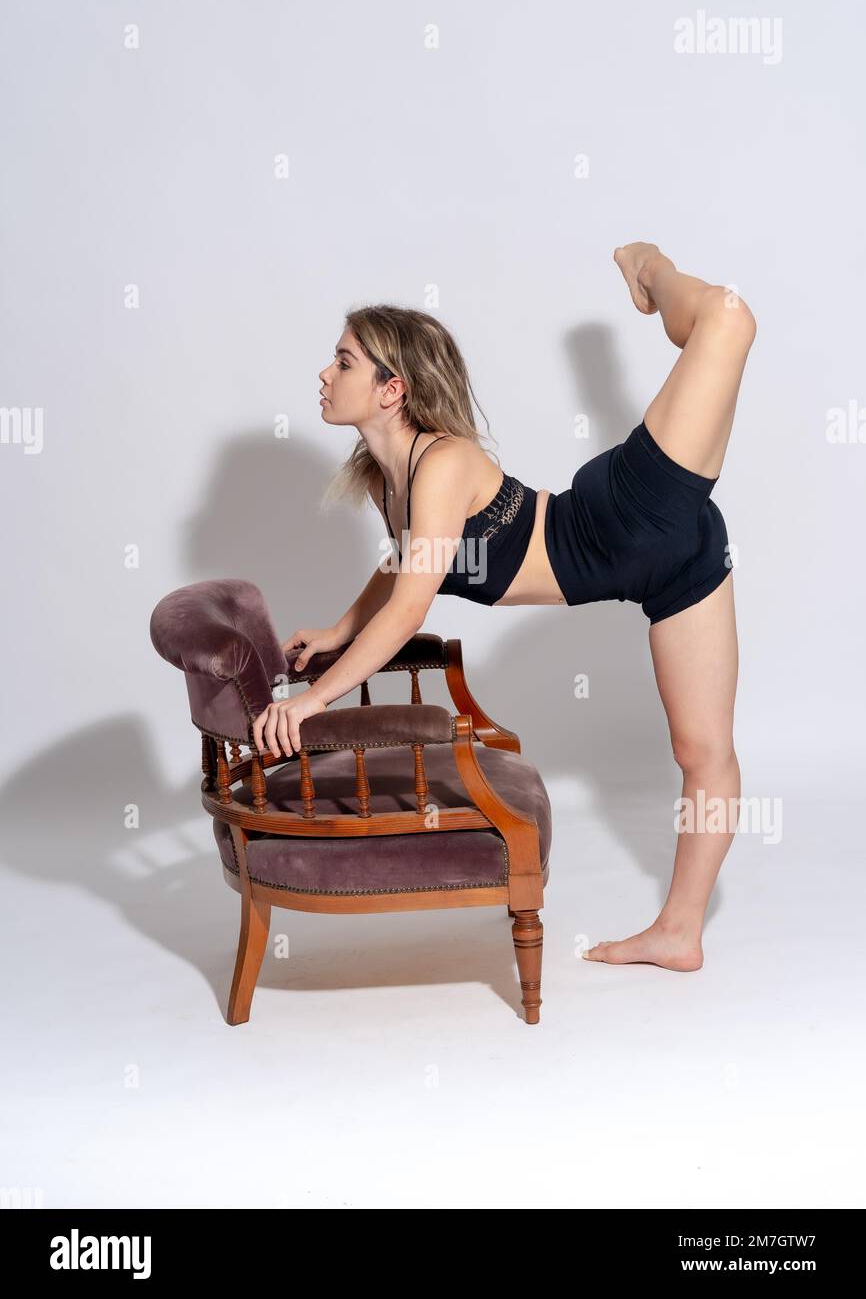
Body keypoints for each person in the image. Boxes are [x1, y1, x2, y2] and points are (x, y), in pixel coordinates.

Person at [252, 242, 757, 971]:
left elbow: (409, 611)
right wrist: (338, 628)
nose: (325, 375)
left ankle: (650, 273)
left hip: (636, 512)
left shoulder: (444, 463)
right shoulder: (385, 478)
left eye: (344, 361)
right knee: (700, 753)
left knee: (729, 317)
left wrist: (314, 704)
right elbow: (401, 570)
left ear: (392, 389)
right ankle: (681, 932)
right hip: (670, 572)